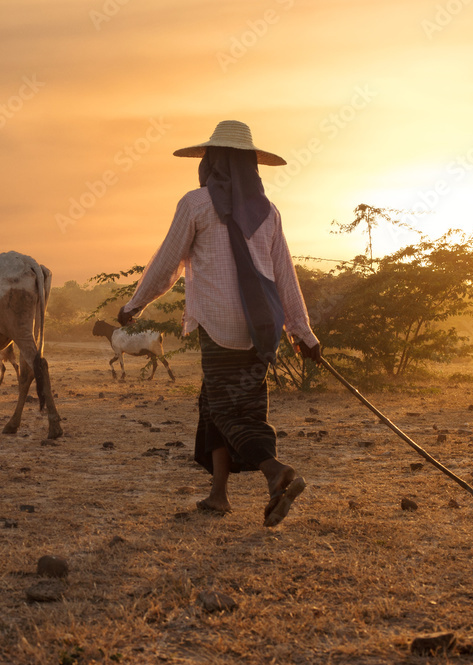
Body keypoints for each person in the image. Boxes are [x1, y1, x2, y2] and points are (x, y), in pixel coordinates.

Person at [117, 120, 321, 527]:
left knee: (230, 413)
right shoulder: (269, 212)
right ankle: (218, 495)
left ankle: (276, 471)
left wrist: (133, 305)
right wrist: (303, 333)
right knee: (215, 405)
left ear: (212, 161)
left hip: (218, 327)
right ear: (250, 165)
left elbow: (165, 265)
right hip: (261, 329)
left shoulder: (195, 204)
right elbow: (286, 275)